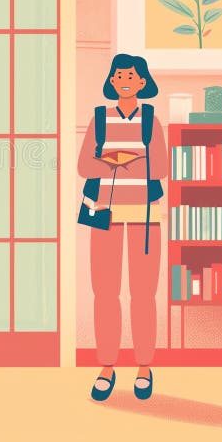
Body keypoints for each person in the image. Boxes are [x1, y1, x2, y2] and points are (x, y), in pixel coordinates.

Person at [78, 54, 167, 402]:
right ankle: (107, 365)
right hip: (103, 214)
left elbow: (159, 166)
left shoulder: (151, 121)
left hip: (145, 215)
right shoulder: (99, 119)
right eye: (119, 75)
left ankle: (144, 365)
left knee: (144, 293)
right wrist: (121, 162)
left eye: (131, 75)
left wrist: (117, 163)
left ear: (143, 82)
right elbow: (85, 164)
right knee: (105, 292)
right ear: (111, 81)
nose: (125, 80)